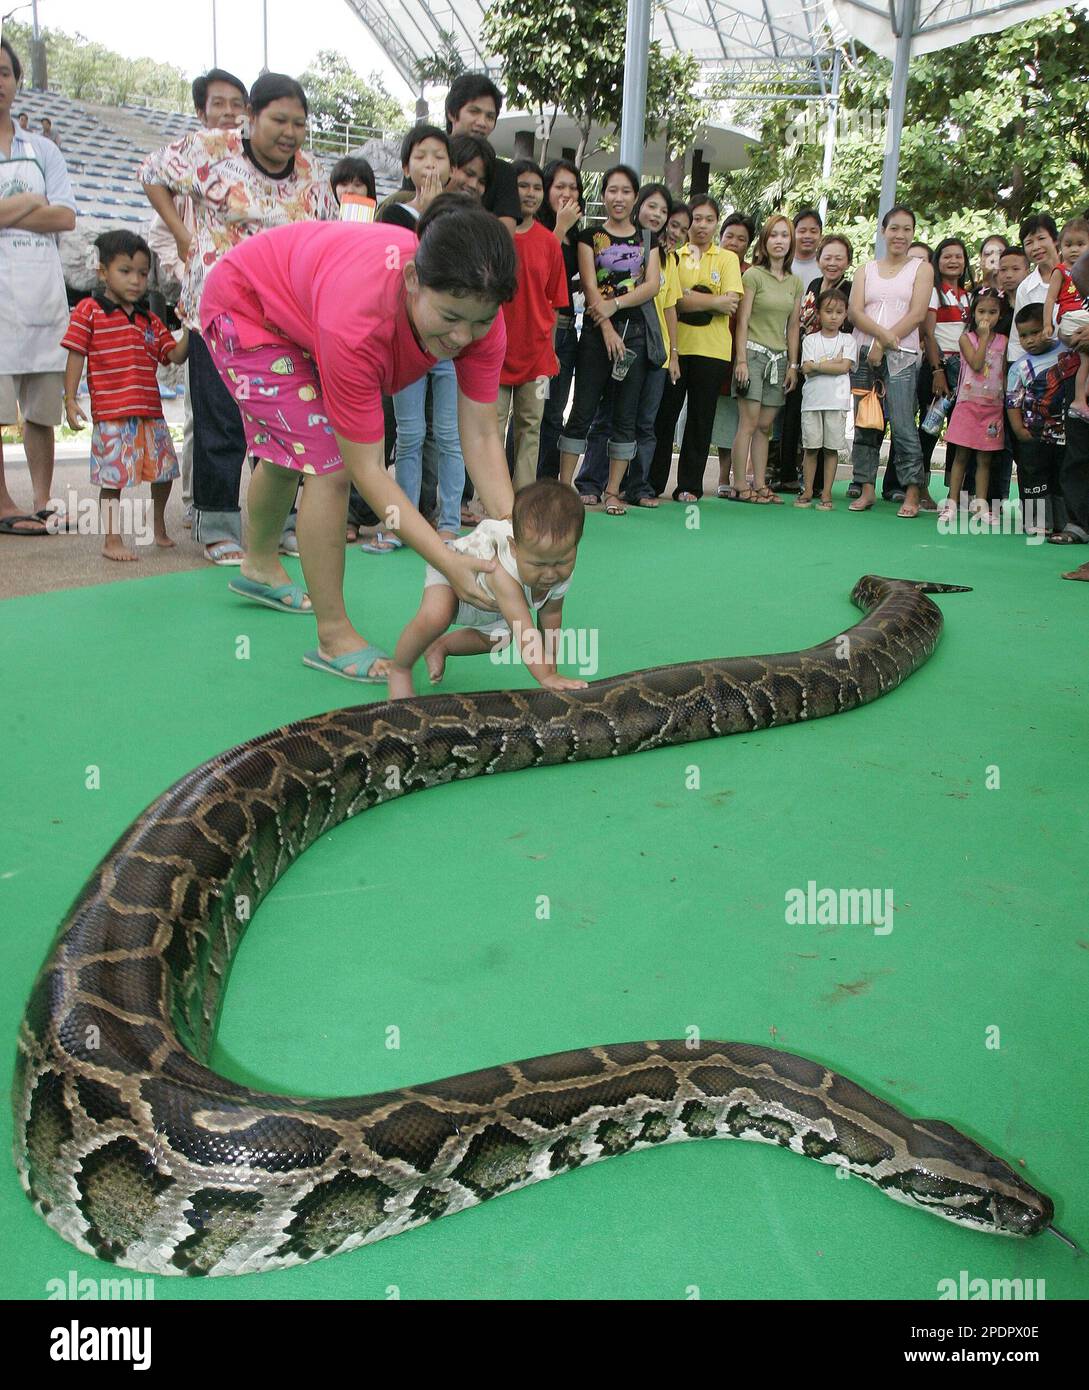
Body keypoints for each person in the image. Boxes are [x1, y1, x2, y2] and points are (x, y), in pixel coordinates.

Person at [199, 194, 517, 681]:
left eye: (479, 321)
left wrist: (514, 535)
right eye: (450, 318)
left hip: (302, 309)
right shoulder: (359, 321)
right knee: (330, 463)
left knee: (292, 450)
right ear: (413, 280)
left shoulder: (480, 321)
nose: (462, 337)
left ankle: (259, 565)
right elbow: (368, 470)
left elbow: (480, 431)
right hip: (245, 309)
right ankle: (333, 637)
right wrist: (445, 558)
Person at [140, 73, 335, 565]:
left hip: (283, 320)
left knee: (283, 424)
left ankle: (278, 525)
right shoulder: (212, 149)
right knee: (221, 420)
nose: (289, 132)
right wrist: (184, 234)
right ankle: (218, 521)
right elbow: (151, 173)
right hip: (219, 313)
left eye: (299, 123)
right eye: (278, 120)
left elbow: (328, 235)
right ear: (251, 118)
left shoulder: (313, 171)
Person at [145, 68, 248, 534]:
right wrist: (187, 241)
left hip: (261, 308)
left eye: (236, 104)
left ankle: (267, 518)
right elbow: (150, 175)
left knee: (266, 418)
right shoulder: (191, 155)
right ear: (201, 110)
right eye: (218, 103)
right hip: (207, 305)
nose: (228, 113)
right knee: (212, 417)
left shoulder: (258, 155)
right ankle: (210, 515)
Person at [387, 480, 587, 699]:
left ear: (575, 548)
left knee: (498, 638)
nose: (550, 574)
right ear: (514, 548)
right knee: (436, 616)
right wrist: (545, 677)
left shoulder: (561, 572)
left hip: (491, 603)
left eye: (561, 562)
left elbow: (551, 616)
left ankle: (440, 647)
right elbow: (525, 632)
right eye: (539, 564)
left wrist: (552, 669)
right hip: (456, 572)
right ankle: (400, 669)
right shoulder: (504, 573)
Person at [61, 231, 189, 560]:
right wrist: (71, 398)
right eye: (125, 271)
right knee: (112, 480)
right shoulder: (89, 310)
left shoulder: (150, 319)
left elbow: (173, 355)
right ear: (103, 272)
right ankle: (111, 539)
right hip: (113, 414)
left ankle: (158, 527)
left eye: (143, 274)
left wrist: (192, 326)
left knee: (164, 474)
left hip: (151, 413)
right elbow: (76, 353)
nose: (135, 280)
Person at [0, 37, 77, 539]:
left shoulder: (43, 148)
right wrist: (32, 201)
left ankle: (44, 499)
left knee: (42, 411)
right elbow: (46, 212)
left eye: (4, 73)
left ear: (16, 80)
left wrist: (14, 211)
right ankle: (2, 501)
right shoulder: (36, 170)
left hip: (41, 296)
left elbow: (65, 216)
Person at [558, 164, 660, 514]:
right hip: (595, 333)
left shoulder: (647, 238)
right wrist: (606, 327)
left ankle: (613, 491)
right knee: (582, 412)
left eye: (626, 191)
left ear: (635, 196)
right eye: (612, 190)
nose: (619, 198)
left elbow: (651, 286)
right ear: (603, 195)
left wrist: (615, 304)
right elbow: (589, 287)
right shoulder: (590, 237)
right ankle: (564, 486)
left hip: (637, 334)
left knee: (625, 417)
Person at [581, 183, 680, 508]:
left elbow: (668, 305)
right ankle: (590, 482)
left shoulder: (665, 256)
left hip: (652, 347)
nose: (658, 215)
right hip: (611, 335)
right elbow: (596, 289)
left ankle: (635, 487)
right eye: (652, 207)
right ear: (638, 206)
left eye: (664, 211)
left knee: (642, 422)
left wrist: (673, 352)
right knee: (602, 415)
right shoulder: (610, 244)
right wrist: (611, 316)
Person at [649, 194, 742, 502]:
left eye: (709, 220)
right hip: (675, 349)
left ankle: (689, 485)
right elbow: (675, 301)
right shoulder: (675, 255)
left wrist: (698, 298)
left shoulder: (727, 258)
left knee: (700, 421)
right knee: (665, 417)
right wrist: (711, 299)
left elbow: (730, 303)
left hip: (713, 352)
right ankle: (652, 482)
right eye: (696, 220)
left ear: (716, 224)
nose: (702, 226)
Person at [846, 204, 934, 517]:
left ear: (913, 233)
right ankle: (865, 487)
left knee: (901, 423)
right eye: (894, 228)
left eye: (906, 229)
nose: (899, 234)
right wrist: (876, 339)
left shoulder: (921, 269)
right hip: (862, 353)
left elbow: (917, 314)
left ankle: (912, 490)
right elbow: (855, 312)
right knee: (866, 422)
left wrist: (883, 342)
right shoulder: (865, 269)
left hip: (902, 356)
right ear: (883, 231)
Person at [497, 159, 568, 491]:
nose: (530, 193)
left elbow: (553, 305)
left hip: (537, 356)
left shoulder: (550, 243)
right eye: (522, 185)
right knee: (493, 427)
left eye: (537, 187)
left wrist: (551, 354)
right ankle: (489, 499)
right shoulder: (496, 236)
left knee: (531, 427)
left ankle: (522, 499)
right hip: (494, 352)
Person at [729, 214, 802, 504]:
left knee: (765, 425)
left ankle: (760, 484)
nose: (780, 241)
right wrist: (742, 360)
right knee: (748, 422)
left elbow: (794, 325)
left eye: (785, 235)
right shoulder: (753, 276)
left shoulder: (796, 282)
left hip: (780, 359)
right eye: (774, 235)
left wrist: (793, 365)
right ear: (765, 241)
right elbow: (743, 320)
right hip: (753, 355)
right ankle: (739, 484)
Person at [777, 232, 853, 496]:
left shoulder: (850, 289)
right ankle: (788, 475)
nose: (832, 263)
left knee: (828, 427)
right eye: (828, 257)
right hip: (803, 357)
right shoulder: (812, 285)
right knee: (796, 418)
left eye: (839, 258)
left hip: (832, 368)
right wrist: (796, 363)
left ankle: (822, 485)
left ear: (847, 261)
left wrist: (821, 364)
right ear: (819, 259)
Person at [1005, 302, 1078, 537]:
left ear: (1050, 326)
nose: (1030, 340)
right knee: (1034, 477)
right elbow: (1013, 401)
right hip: (1034, 435)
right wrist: (1018, 428)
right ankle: (1037, 522)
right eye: (1023, 335)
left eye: (1035, 332)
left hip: (1067, 434)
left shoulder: (1068, 353)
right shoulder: (1019, 367)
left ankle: (1064, 522)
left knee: (1063, 477)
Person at [937, 289, 1009, 523]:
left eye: (993, 312)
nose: (986, 317)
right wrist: (985, 337)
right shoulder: (966, 338)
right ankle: (952, 502)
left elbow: (1003, 374)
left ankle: (981, 505)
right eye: (981, 311)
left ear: (1001, 314)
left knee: (985, 459)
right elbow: (977, 364)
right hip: (968, 405)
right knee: (961, 456)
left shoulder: (1004, 341)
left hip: (992, 408)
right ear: (973, 313)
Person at [536, 158, 584, 481]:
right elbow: (539, 268)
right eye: (559, 186)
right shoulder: (539, 230)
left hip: (569, 334)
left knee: (555, 414)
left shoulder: (576, 237)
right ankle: (516, 484)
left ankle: (547, 485)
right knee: (532, 414)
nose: (566, 193)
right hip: (542, 334)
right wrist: (560, 227)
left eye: (573, 187)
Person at [797, 285, 857, 509]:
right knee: (811, 448)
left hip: (836, 401)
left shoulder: (848, 340)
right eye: (828, 311)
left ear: (845, 314)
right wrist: (832, 363)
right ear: (819, 313)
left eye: (839, 312)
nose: (833, 317)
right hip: (812, 401)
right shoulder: (810, 340)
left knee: (831, 449)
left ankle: (827, 494)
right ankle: (808, 490)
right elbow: (806, 368)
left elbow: (844, 367)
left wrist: (818, 365)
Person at [711, 212, 756, 496]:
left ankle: (734, 475)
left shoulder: (751, 274)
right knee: (720, 416)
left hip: (742, 355)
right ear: (721, 236)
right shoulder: (708, 263)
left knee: (739, 416)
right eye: (730, 236)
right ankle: (722, 474)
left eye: (742, 239)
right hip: (711, 350)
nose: (734, 242)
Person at [444, 73, 519, 231]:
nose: (482, 123)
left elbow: (503, 237)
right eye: (474, 112)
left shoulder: (504, 173)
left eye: (490, 117)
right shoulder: (427, 161)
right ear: (452, 113)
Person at [1041, 217, 1089, 420]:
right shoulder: (1060, 271)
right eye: (1068, 245)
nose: (1074, 250)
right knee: (1086, 356)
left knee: (1087, 358)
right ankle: (1080, 398)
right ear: (1060, 247)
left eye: (1080, 244)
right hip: (1071, 318)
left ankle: (1082, 395)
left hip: (1084, 317)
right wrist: (1047, 325)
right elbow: (1050, 298)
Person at [791, 207, 823, 284]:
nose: (807, 236)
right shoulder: (781, 264)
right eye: (802, 231)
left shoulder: (825, 267)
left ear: (821, 236)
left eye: (813, 231)